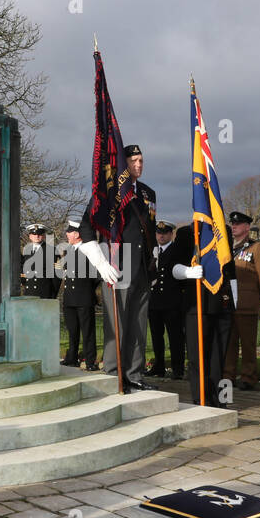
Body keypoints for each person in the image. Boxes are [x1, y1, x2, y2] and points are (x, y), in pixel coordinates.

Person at [76, 144, 156, 391]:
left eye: (141, 160)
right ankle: (113, 374)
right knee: (117, 323)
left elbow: (149, 231)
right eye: (133, 161)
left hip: (142, 267)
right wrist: (100, 262)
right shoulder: (109, 193)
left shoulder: (147, 193)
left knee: (138, 324)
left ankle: (134, 374)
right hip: (117, 264)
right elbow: (86, 226)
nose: (138, 165)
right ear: (123, 165)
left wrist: (152, 263)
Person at [167, 223, 237, 406]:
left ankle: (222, 399)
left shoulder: (224, 230)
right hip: (197, 303)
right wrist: (187, 272)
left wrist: (236, 301)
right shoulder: (186, 233)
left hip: (222, 301)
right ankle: (202, 400)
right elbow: (173, 267)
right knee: (197, 357)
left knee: (221, 357)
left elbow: (230, 267)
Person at [224, 211, 260, 391]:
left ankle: (249, 377)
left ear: (247, 227)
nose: (234, 226)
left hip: (247, 304)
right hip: (229, 304)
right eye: (232, 224)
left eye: (238, 224)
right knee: (229, 344)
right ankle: (228, 375)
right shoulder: (227, 247)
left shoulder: (255, 248)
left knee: (248, 344)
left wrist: (255, 299)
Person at [59, 217, 99, 369]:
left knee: (87, 332)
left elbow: (96, 275)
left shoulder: (89, 250)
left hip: (84, 297)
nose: (67, 235)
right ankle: (72, 358)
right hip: (70, 298)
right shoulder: (69, 250)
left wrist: (86, 289)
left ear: (77, 234)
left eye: (69, 232)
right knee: (72, 331)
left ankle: (90, 362)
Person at [147, 220, 185, 379]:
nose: (161, 236)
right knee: (156, 336)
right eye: (158, 233)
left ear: (171, 234)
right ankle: (159, 366)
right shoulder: (152, 251)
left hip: (172, 302)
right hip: (154, 302)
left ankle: (178, 369)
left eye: (164, 233)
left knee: (175, 337)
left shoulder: (178, 250)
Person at [18, 223, 57, 298]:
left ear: (44, 236)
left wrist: (53, 294)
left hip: (44, 293)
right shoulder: (27, 249)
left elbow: (56, 276)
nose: (37, 236)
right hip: (29, 292)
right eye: (34, 234)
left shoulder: (51, 250)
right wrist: (23, 280)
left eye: (40, 234)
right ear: (30, 236)